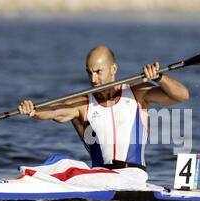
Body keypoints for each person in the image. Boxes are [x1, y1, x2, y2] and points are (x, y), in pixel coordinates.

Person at [18, 45, 189, 171]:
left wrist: (160, 78)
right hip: (99, 178)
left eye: (98, 72)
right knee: (60, 162)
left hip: (134, 177)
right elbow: (55, 111)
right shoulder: (82, 104)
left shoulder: (138, 94)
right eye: (89, 72)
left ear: (113, 69)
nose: (93, 79)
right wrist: (33, 111)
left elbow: (181, 96)